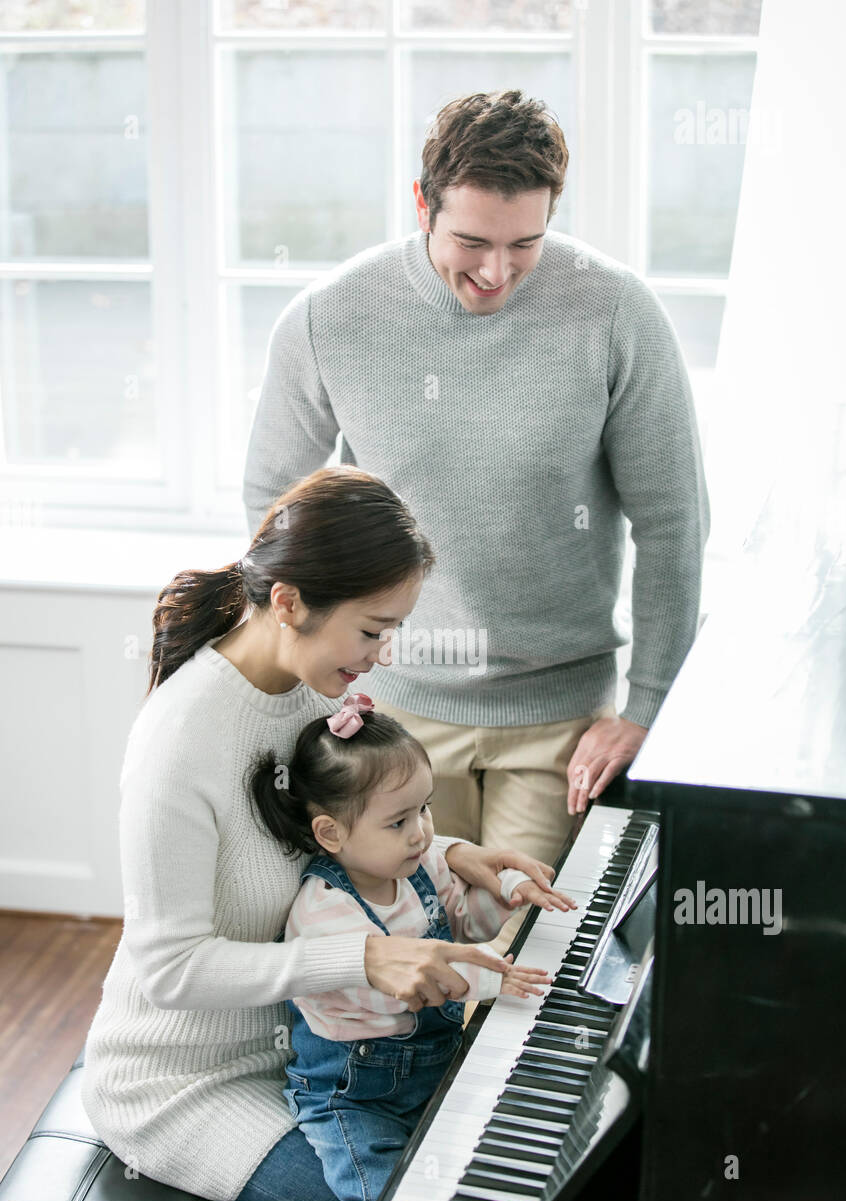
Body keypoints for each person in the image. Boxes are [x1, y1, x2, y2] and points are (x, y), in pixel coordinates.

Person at [242, 88, 710, 872]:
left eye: (525, 243)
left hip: (559, 722)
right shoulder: (332, 318)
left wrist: (648, 706)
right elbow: (272, 500)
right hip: (390, 715)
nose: (497, 271)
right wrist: (321, 664)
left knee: (525, 939)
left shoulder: (615, 311)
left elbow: (674, 519)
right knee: (417, 940)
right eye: (471, 242)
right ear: (422, 203)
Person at [81, 466, 555, 1201]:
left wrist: (453, 853)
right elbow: (170, 970)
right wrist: (361, 959)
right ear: (290, 602)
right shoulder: (179, 742)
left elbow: (339, 832)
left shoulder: (313, 693)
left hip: (318, 1055)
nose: (384, 654)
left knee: (513, 1181)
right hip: (188, 1088)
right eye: (372, 631)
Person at [247, 692, 574, 1201]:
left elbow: (461, 922)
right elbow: (409, 987)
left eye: (424, 808)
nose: (421, 832)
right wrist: (491, 978)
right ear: (331, 832)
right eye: (398, 822)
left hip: (433, 1066)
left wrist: (504, 896)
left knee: (482, 1158)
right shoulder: (324, 910)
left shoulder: (419, 868)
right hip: (352, 1098)